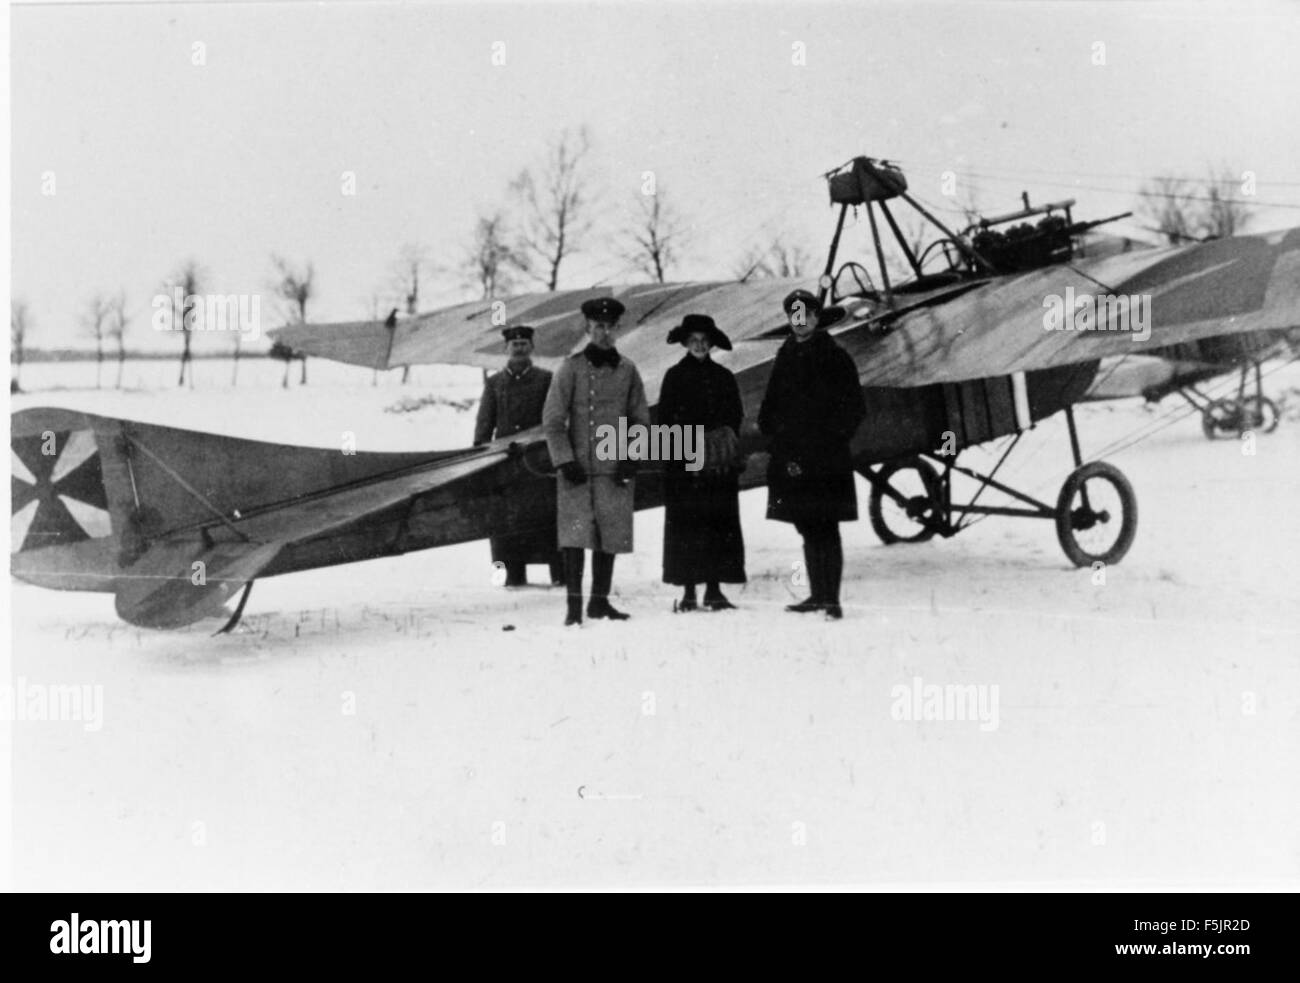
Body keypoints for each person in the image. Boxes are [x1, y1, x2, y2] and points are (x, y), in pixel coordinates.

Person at [758, 289, 867, 620]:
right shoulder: (785, 355)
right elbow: (771, 405)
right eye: (795, 314)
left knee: (826, 526)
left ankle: (831, 599)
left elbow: (854, 407)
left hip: (825, 456)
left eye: (807, 313)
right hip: (792, 457)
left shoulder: (835, 356)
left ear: (817, 318)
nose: (800, 320)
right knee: (807, 525)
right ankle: (817, 594)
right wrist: (773, 433)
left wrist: (832, 440)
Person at [542, 297, 650, 626]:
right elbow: (552, 420)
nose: (604, 333)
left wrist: (631, 458)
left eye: (609, 327)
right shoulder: (570, 368)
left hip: (612, 468)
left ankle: (599, 603)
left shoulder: (628, 369)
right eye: (597, 326)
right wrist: (564, 460)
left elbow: (640, 420)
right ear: (587, 328)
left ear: (618, 329)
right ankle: (573, 610)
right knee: (575, 538)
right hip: (576, 470)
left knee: (610, 534)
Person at [659, 313, 746, 611]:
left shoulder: (723, 377)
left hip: (718, 464)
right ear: (685, 343)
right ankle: (688, 592)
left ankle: (714, 589)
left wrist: (723, 440)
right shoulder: (674, 376)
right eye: (693, 341)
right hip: (685, 466)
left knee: (717, 525)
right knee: (687, 527)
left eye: (704, 341)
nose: (699, 345)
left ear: (711, 344)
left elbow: (735, 415)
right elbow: (666, 422)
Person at [474, 325, 564, 587]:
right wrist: (481, 456)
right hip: (505, 465)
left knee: (547, 519)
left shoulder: (546, 379)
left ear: (532, 348)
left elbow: (555, 419)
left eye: (524, 343)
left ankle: (559, 575)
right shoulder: (494, 383)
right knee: (505, 522)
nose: (519, 348)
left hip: (538, 463)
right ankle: (509, 577)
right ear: (506, 349)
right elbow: (484, 424)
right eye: (515, 344)